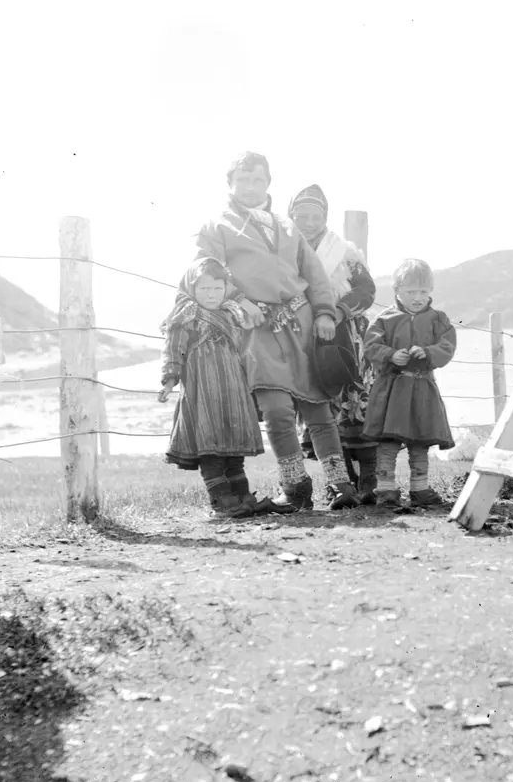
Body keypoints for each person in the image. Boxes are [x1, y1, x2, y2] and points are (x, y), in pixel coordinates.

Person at [193, 152, 360, 511]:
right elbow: (205, 269)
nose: (250, 187)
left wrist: (325, 313)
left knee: (318, 409)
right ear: (230, 184)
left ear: (268, 183)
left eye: (258, 180)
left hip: (302, 323)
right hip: (257, 326)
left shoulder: (287, 226)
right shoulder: (216, 226)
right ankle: (296, 487)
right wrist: (239, 299)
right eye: (243, 180)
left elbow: (314, 274)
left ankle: (341, 486)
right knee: (277, 410)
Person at [287, 184, 378, 504]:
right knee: (319, 405)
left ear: (325, 217)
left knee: (355, 404)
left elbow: (366, 290)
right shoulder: (284, 251)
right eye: (302, 216)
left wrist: (337, 312)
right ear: (291, 216)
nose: (309, 223)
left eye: (316, 216)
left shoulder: (344, 251)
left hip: (345, 336)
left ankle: (369, 480)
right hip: (302, 337)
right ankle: (340, 482)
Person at [159, 257, 265, 519]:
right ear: (191, 288)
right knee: (211, 445)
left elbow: (244, 350)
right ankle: (221, 500)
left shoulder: (232, 313)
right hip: (203, 391)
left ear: (226, 288)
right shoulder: (186, 315)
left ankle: (243, 495)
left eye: (218, 288)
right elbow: (174, 348)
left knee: (233, 446)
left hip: (233, 389)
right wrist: (170, 378)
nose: (212, 294)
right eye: (204, 288)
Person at [362, 258, 456, 509]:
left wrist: (428, 352)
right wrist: (391, 355)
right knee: (388, 442)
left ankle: (420, 489)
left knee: (420, 441)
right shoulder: (384, 319)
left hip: (423, 389)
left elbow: (447, 346)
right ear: (397, 291)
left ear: (430, 291)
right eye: (411, 292)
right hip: (392, 390)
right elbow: (371, 346)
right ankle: (385, 490)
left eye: (423, 292)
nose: (418, 298)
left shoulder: (438, 319)